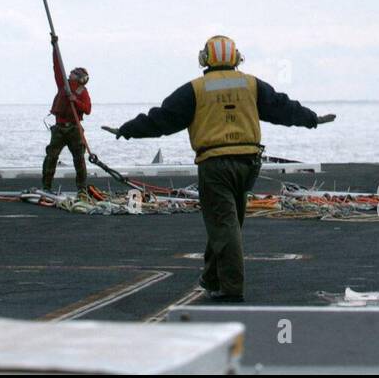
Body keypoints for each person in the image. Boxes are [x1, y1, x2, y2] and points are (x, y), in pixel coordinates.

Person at [105, 36, 334, 302]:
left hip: (215, 166)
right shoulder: (251, 85)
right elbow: (282, 107)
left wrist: (128, 130)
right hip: (249, 165)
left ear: (205, 59)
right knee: (228, 222)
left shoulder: (196, 89)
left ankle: (231, 288)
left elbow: (162, 120)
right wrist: (311, 119)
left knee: (223, 223)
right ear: (236, 58)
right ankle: (211, 278)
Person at [42, 34, 91, 195]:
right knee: (51, 157)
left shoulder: (82, 92)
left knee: (79, 159)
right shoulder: (63, 84)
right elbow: (57, 67)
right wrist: (54, 47)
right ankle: (46, 187)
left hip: (74, 129)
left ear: (80, 78)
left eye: (75, 73)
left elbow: (88, 109)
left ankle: (82, 189)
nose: (71, 73)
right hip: (59, 127)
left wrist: (75, 100)